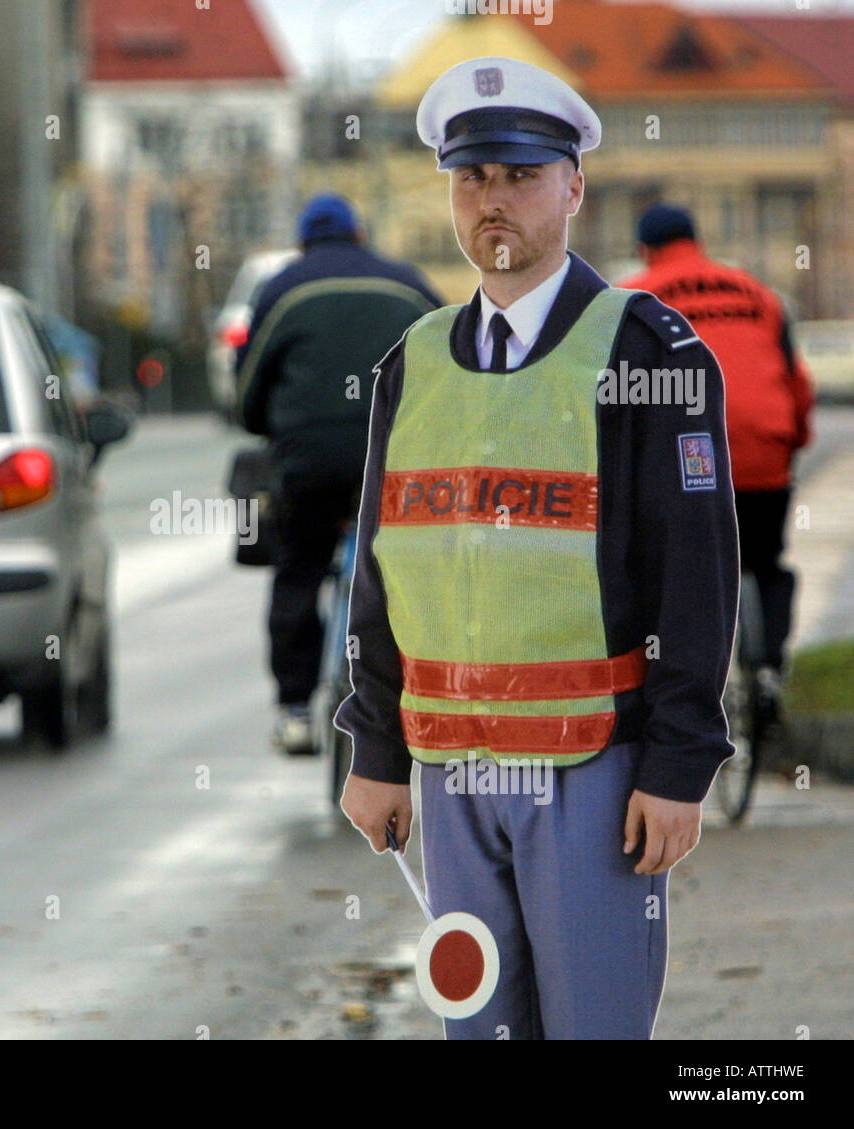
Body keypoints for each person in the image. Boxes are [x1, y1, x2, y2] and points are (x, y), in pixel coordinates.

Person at [335, 57, 740, 1039]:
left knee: (591, 1027)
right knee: (479, 1029)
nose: (493, 200)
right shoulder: (414, 362)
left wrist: (679, 765)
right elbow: (383, 569)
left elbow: (695, 577)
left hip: (590, 773)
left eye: (520, 175)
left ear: (572, 186)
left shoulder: (648, 353)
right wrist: (374, 745)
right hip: (450, 777)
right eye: (473, 177)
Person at [235, 194, 441, 754]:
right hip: (397, 460)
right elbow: (453, 363)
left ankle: (296, 710)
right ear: (359, 234)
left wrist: (268, 426)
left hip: (309, 463)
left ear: (303, 242)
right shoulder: (407, 284)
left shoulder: (280, 289)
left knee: (298, 570)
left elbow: (247, 394)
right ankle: (425, 703)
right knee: (407, 579)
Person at [621, 204, 814, 720]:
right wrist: (791, 443)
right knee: (767, 562)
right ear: (697, 239)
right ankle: (770, 666)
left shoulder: (633, 298)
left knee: (668, 569)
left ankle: (678, 690)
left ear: (644, 249)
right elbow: (796, 379)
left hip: (687, 456)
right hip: (762, 451)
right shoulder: (757, 293)